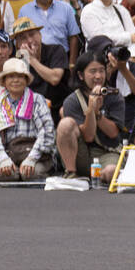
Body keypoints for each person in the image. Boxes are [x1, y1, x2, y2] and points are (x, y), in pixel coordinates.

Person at [55, 49, 126, 180]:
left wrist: (97, 113)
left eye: (101, 71)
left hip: (106, 152)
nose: (98, 76)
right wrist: (91, 110)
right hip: (80, 153)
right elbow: (88, 136)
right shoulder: (72, 100)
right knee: (65, 124)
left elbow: (113, 133)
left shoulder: (114, 96)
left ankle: (102, 177)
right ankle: (71, 172)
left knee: (112, 172)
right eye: (93, 72)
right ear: (81, 75)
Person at [0, 58, 55, 181]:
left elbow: (47, 132)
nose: (16, 80)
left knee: (31, 174)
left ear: (26, 80)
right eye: (11, 77)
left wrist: (31, 159)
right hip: (9, 154)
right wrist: (3, 159)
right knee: (6, 175)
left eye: (20, 76)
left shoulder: (37, 100)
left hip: (35, 152)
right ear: (4, 81)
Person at [9, 17, 68, 122]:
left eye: (32, 34)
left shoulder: (56, 50)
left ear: (40, 35)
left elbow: (55, 78)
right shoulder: (17, 61)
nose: (30, 40)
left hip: (59, 109)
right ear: (17, 45)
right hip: (31, 112)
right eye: (23, 38)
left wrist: (32, 59)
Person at [20, 0, 81, 66]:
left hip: (62, 59)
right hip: (35, 60)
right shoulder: (24, 11)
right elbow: (20, 39)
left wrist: (72, 64)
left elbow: (73, 37)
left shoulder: (66, 8)